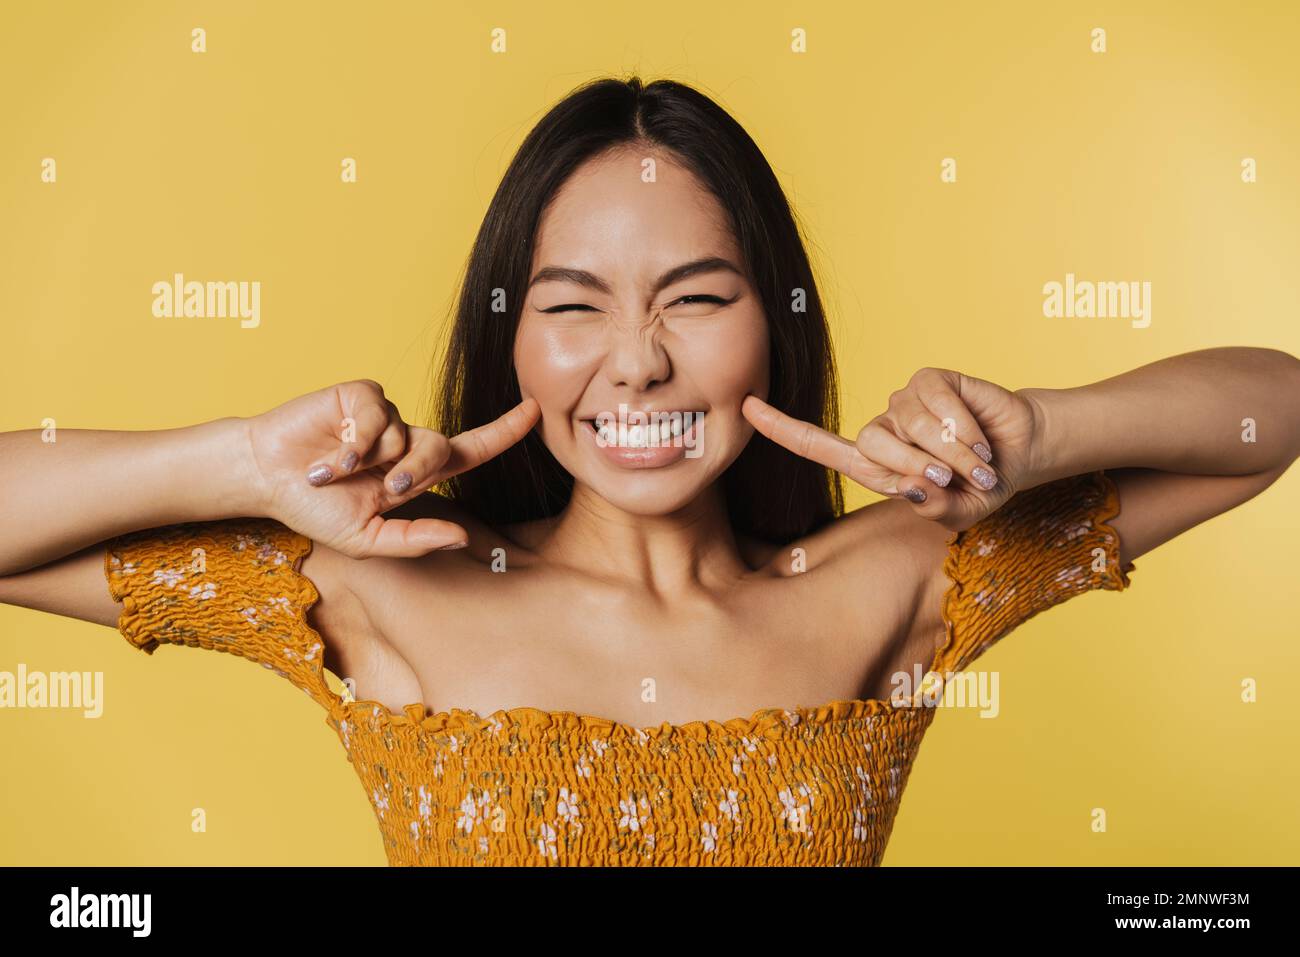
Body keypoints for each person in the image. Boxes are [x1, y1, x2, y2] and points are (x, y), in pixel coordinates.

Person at [2, 76, 1297, 866]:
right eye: (575, 307)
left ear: (772, 321)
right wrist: (244, 461)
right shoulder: (380, 590)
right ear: (510, 334)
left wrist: (1034, 431)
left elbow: (1274, 409)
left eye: (695, 296)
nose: (638, 364)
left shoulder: (900, 582)